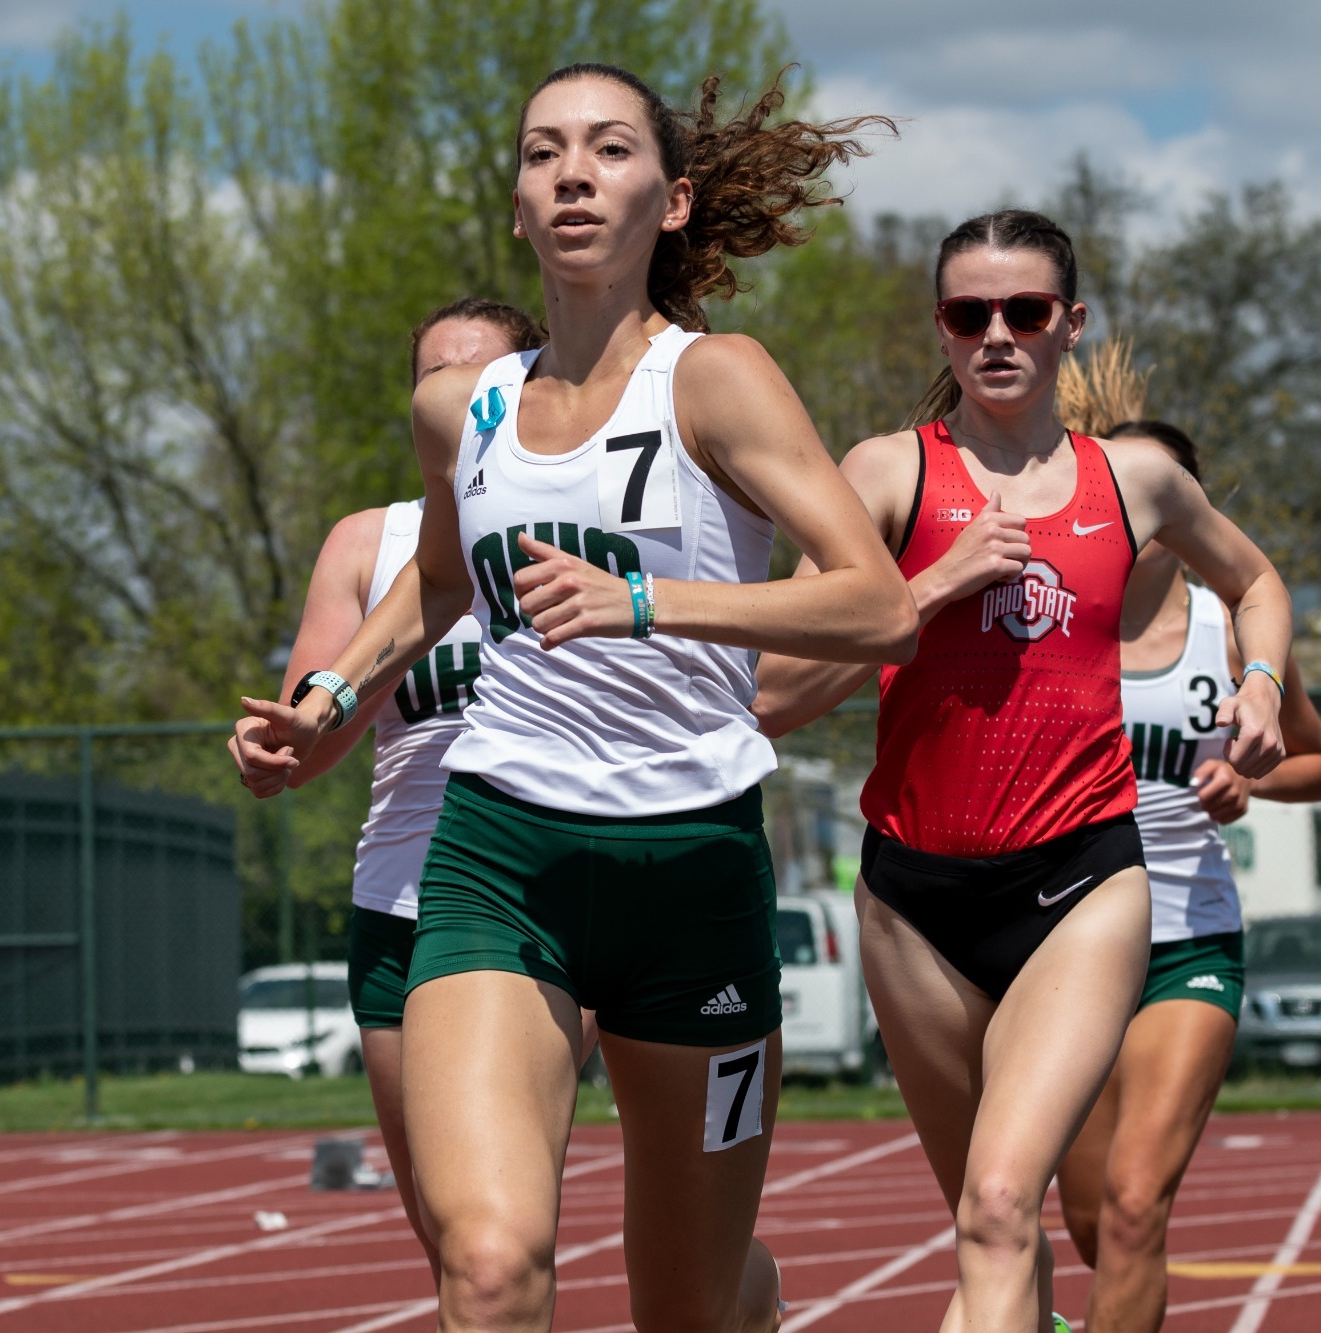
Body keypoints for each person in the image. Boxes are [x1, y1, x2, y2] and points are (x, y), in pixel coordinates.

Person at [230, 63, 915, 1333]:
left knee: (690, 1306)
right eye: (544, 154)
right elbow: (438, 581)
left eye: (606, 150)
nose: (572, 175)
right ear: (516, 206)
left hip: (695, 870)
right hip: (502, 854)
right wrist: (323, 701)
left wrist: (646, 604)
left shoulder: (716, 379)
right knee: (487, 1268)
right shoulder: (469, 409)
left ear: (670, 199)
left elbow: (876, 606)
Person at [752, 209, 1294, 1333]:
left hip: (1081, 883)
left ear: (1069, 325)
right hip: (913, 900)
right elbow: (770, 694)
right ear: (940, 330)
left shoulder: (1133, 479)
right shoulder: (888, 473)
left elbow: (1256, 583)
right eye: (967, 313)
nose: (995, 335)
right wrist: (929, 588)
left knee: (1001, 1203)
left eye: (1024, 311)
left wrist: (1259, 684)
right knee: (983, 1219)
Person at [251, 297, 604, 1287]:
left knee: (494, 1221)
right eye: (432, 382)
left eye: (477, 377)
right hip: (399, 901)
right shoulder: (368, 544)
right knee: (449, 1242)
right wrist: (275, 745)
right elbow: (307, 735)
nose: (452, 399)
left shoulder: (573, 532)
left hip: (535, 890)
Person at [1053, 418, 1321, 1333]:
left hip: (1190, 935)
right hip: (1070, 936)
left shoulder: (1231, 629)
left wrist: (1246, 778)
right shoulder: (1050, 618)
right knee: (1095, 1220)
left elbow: (1319, 763)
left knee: (1139, 1204)